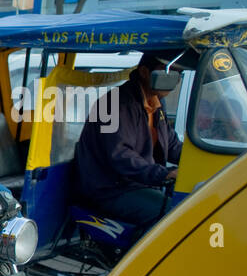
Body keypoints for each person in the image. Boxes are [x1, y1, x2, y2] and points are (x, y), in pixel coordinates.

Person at [73, 51, 181, 232]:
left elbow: (172, 145)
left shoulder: (156, 104)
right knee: (169, 213)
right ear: (145, 72)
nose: (175, 80)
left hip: (137, 184)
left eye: (178, 74)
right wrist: (164, 174)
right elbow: (120, 155)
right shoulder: (113, 104)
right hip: (108, 189)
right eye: (168, 73)